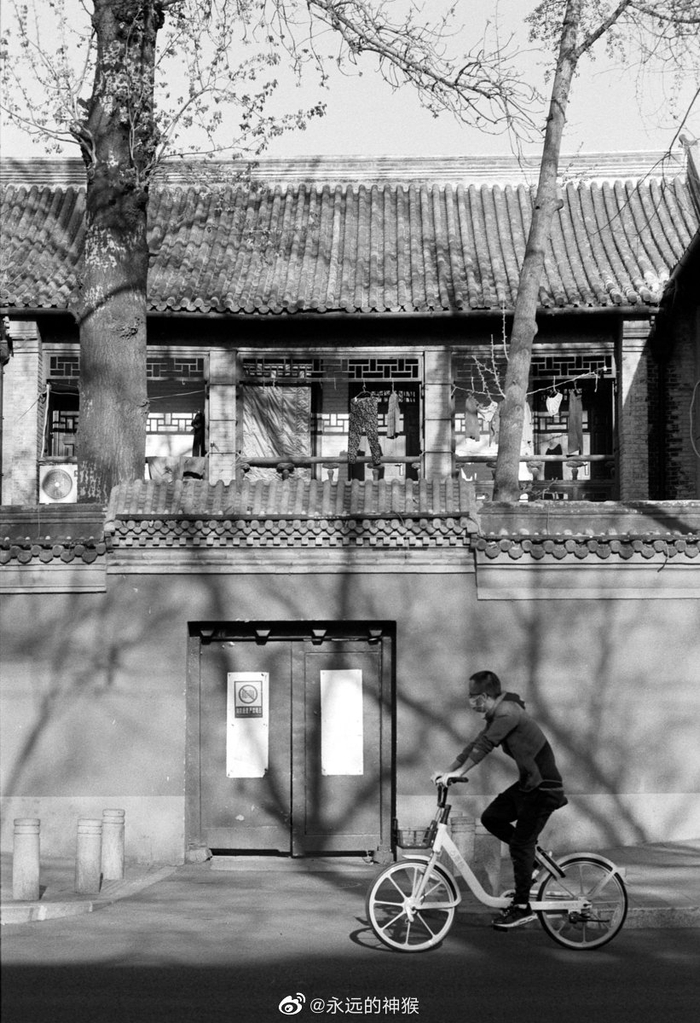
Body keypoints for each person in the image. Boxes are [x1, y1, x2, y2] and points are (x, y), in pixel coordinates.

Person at [432, 670, 567, 930]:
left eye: (472, 697)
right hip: (529, 786)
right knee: (492, 818)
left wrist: (459, 773)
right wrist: (448, 771)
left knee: (519, 846)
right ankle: (533, 856)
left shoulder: (508, 713)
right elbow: (475, 744)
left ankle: (521, 907)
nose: (470, 702)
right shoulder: (499, 713)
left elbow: (485, 747)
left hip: (544, 788)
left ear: (483, 696)